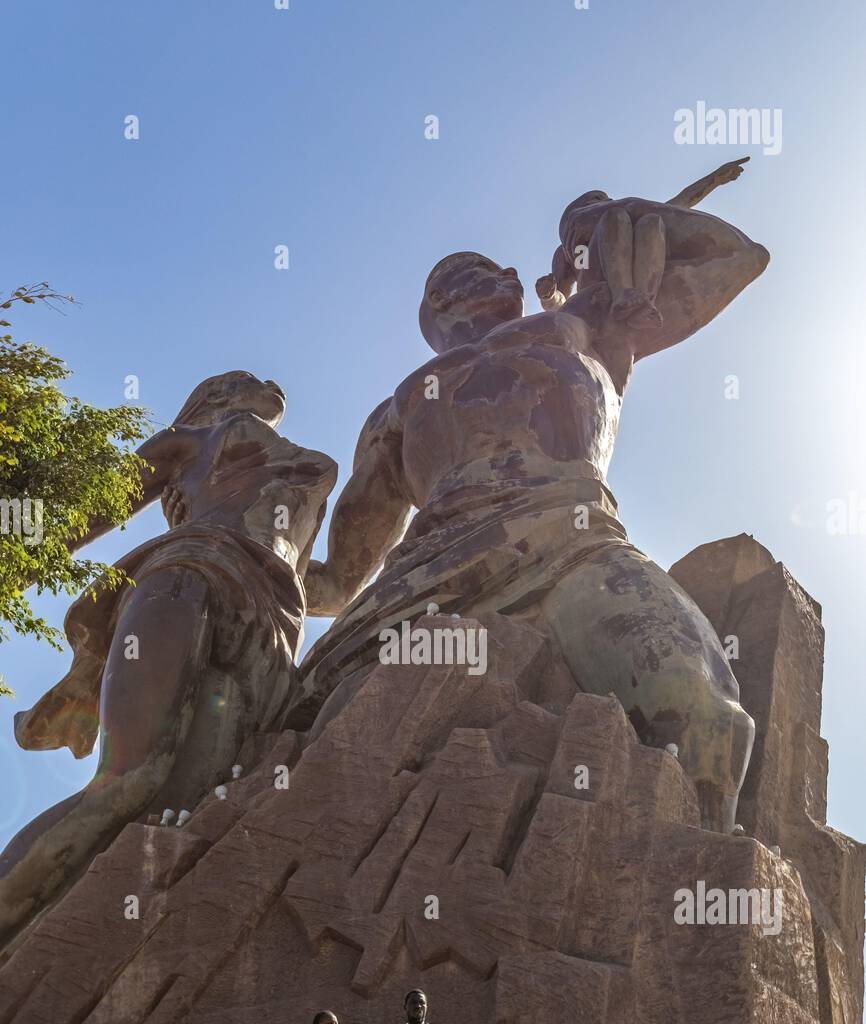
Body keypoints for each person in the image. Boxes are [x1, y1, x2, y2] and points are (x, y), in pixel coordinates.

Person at [296, 165, 769, 834]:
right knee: (317, 733)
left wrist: (618, 215)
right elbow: (340, 577)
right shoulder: (398, 408)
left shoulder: (589, 321)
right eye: (460, 279)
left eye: (493, 270)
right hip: (424, 578)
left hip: (573, 542)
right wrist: (253, 561)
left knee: (694, 702)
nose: (493, 280)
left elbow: (736, 256)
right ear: (437, 313)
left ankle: (696, 876)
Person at [0, 371, 337, 951]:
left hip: (273, 637)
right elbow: (84, 514)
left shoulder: (308, 468)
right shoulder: (192, 439)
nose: (272, 380)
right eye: (247, 377)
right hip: (192, 572)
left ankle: (63, 961)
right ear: (215, 398)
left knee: (184, 809)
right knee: (128, 783)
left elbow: (328, 586)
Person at [535, 157, 752, 317]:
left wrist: (715, 179)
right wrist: (549, 296)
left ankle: (644, 302)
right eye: (600, 199)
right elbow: (560, 303)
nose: (608, 200)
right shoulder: (576, 251)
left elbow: (680, 203)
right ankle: (623, 297)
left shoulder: (632, 223)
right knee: (616, 216)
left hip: (642, 282)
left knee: (652, 221)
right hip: (596, 286)